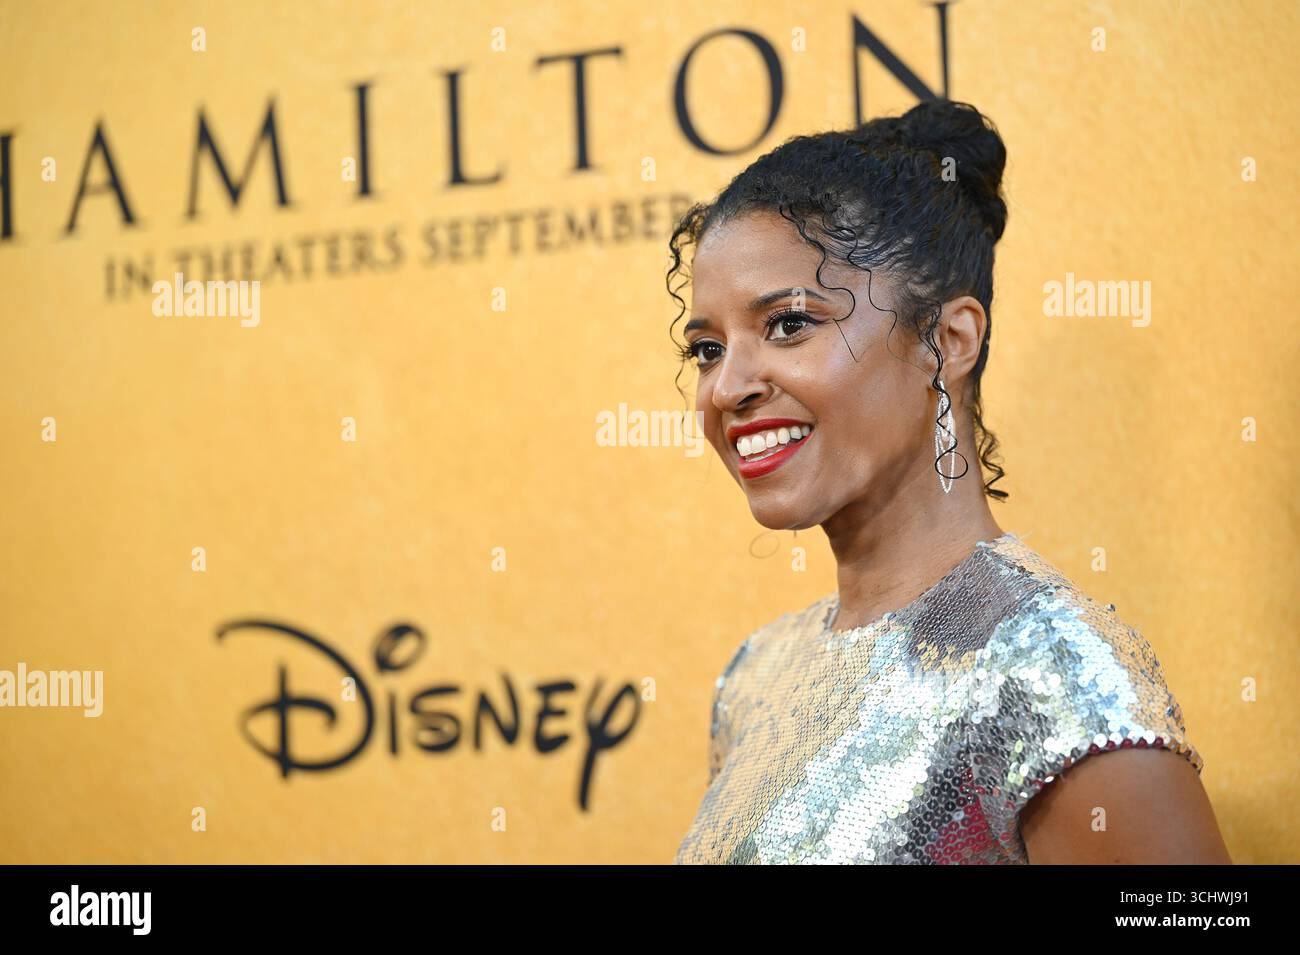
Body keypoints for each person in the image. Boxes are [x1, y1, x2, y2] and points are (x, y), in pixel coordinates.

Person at [667, 99, 1231, 864]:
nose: (727, 387)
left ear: (947, 340)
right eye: (706, 348)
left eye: (789, 324)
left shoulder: (1054, 674)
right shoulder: (757, 678)